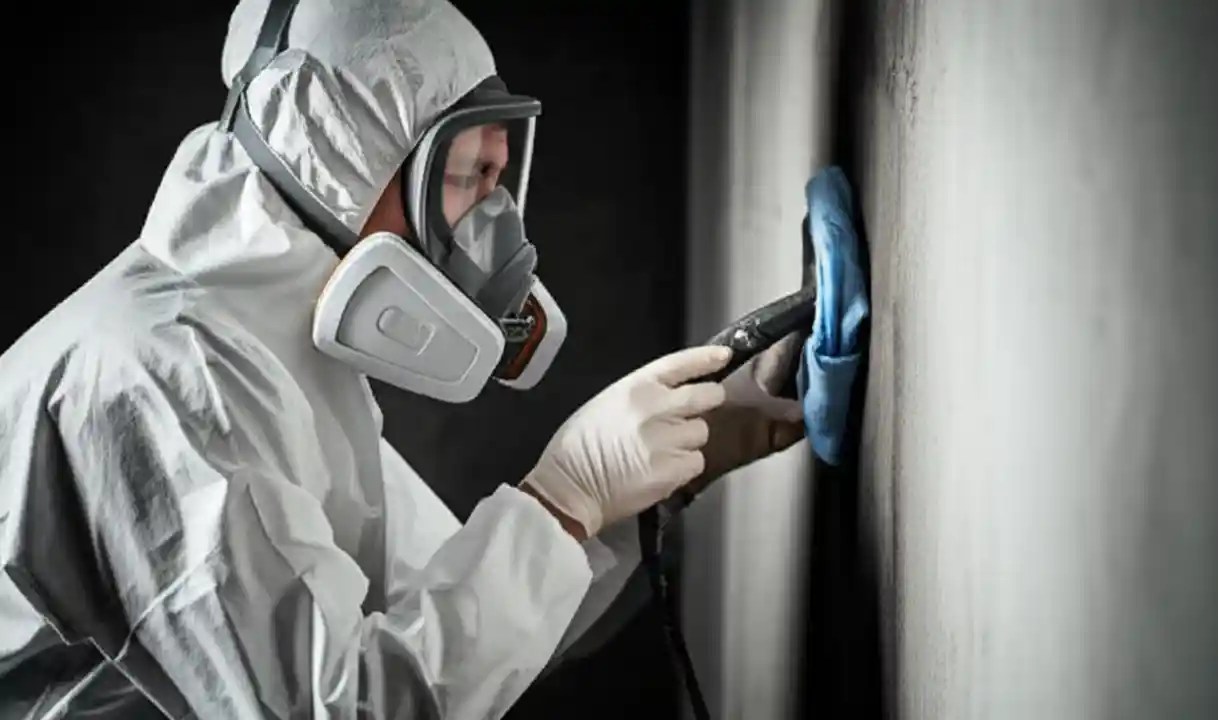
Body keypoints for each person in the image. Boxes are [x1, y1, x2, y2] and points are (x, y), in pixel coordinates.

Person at [0, 0, 806, 717]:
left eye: (496, 179)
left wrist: (680, 460)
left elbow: (457, 641)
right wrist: (566, 499)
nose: (492, 230)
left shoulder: (272, 361)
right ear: (333, 154)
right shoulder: (158, 377)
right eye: (462, 179)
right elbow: (354, 707)